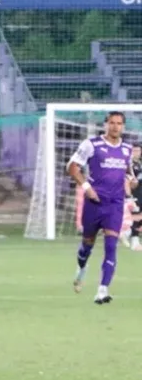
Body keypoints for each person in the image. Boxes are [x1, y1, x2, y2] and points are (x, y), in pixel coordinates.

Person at [69, 111, 132, 304]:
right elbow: (72, 167)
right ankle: (81, 267)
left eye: (119, 123)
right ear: (105, 125)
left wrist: (131, 184)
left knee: (111, 246)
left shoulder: (127, 149)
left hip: (115, 205)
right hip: (95, 203)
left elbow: (126, 174)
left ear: (123, 126)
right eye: (112, 123)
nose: (115, 127)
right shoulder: (91, 145)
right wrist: (87, 188)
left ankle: (102, 290)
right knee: (87, 245)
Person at [129, 145, 142, 251]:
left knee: (139, 217)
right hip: (134, 194)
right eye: (134, 150)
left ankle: (135, 239)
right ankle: (134, 241)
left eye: (138, 150)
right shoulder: (130, 165)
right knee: (135, 216)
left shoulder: (140, 164)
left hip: (141, 193)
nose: (136, 152)